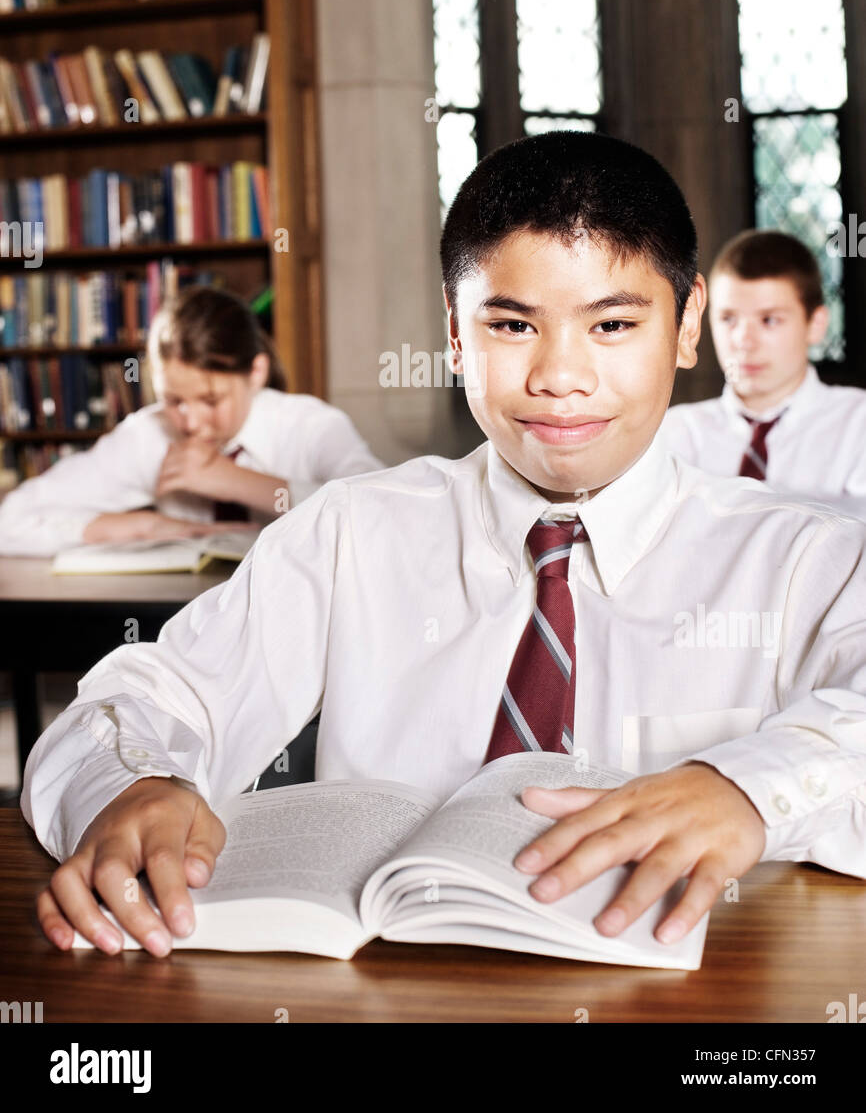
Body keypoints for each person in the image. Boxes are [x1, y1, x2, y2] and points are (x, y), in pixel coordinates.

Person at [22, 132, 866, 962]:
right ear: (457, 338)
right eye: (511, 327)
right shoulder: (352, 532)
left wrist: (748, 787)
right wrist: (133, 786)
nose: (559, 377)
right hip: (390, 999)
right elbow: (141, 697)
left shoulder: (802, 560)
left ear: (687, 331)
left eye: (611, 325)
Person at [0, 285, 383, 556]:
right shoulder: (149, 435)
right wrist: (136, 527)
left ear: (256, 373)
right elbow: (10, 521)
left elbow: (379, 517)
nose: (190, 422)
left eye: (210, 400)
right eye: (174, 401)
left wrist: (235, 482)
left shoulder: (311, 427)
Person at [658, 229, 866, 517]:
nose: (744, 340)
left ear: (816, 324)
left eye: (769, 320)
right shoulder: (670, 434)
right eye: (728, 318)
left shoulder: (858, 426)